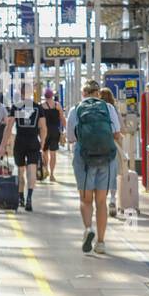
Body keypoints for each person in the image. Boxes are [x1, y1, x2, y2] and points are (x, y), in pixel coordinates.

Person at [66, 78, 123, 254]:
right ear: (98, 93)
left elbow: (70, 138)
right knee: (101, 201)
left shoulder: (75, 109)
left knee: (85, 199)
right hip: (106, 158)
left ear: (83, 93)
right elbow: (116, 134)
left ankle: (88, 228)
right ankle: (101, 242)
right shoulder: (109, 108)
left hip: (84, 159)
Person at [3, 93, 47, 211]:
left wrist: (3, 146)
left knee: (21, 170)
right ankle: (29, 198)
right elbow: (43, 128)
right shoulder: (38, 108)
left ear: (22, 94)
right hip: (33, 141)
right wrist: (42, 145)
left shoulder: (16, 107)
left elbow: (8, 127)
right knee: (32, 171)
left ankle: (21, 197)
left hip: (20, 141)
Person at [99, 87, 119, 215]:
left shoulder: (96, 108)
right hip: (110, 145)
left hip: (96, 145)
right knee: (112, 173)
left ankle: (100, 201)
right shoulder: (112, 109)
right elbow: (118, 130)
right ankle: (112, 198)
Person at [38, 88, 64, 182]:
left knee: (44, 152)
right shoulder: (57, 105)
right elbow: (62, 118)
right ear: (52, 95)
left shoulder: (41, 106)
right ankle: (52, 174)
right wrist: (64, 130)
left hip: (44, 132)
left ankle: (46, 170)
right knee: (53, 154)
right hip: (55, 131)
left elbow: (39, 121)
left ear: (44, 96)